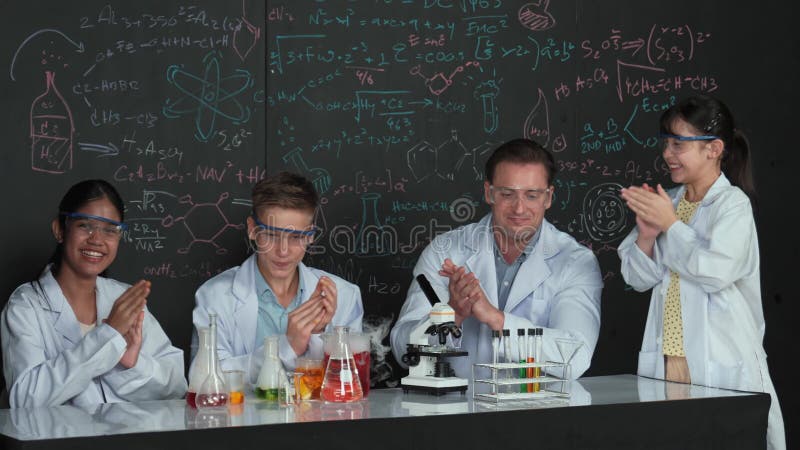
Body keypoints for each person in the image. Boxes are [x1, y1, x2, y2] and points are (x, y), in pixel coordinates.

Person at [618, 95, 785, 450]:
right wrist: (647, 238)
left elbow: (714, 272)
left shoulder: (733, 205)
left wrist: (670, 226)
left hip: (719, 361)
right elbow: (636, 278)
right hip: (668, 364)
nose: (667, 153)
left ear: (714, 149)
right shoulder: (671, 201)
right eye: (665, 143)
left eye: (679, 143)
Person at [390, 138, 602, 383]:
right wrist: (452, 314)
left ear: (548, 197)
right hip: (456, 411)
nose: (519, 208)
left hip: (540, 412)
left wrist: (496, 319)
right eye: (507, 194)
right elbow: (402, 350)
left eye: (532, 195)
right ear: (489, 192)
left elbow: (576, 357)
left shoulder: (575, 261)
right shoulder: (445, 251)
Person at [1, 179, 187, 409]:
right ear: (59, 229)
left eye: (110, 230)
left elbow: (177, 384)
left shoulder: (125, 299)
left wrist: (131, 364)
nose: (97, 240)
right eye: (85, 225)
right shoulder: (26, 306)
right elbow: (24, 399)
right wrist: (107, 337)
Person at [191, 172, 363, 382]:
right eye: (272, 235)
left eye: (296, 237)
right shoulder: (215, 296)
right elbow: (204, 381)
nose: (283, 251)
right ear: (253, 229)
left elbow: (348, 382)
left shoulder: (344, 295)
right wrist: (287, 346)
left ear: (310, 236)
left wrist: (319, 334)